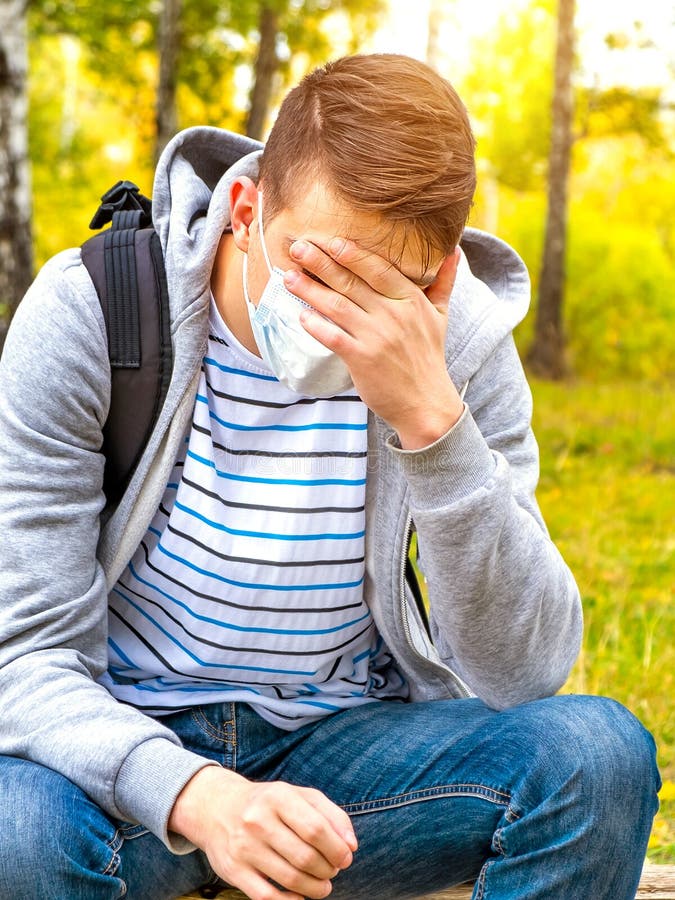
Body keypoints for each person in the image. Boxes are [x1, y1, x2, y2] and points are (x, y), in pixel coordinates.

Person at [0, 53, 660, 900]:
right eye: (316, 270)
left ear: (442, 273)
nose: (338, 320)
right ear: (246, 208)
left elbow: (524, 671)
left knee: (597, 755)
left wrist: (433, 423)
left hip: (345, 758)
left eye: (384, 289)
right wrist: (195, 793)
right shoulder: (94, 310)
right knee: (16, 833)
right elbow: (22, 656)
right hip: (117, 753)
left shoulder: (459, 348)